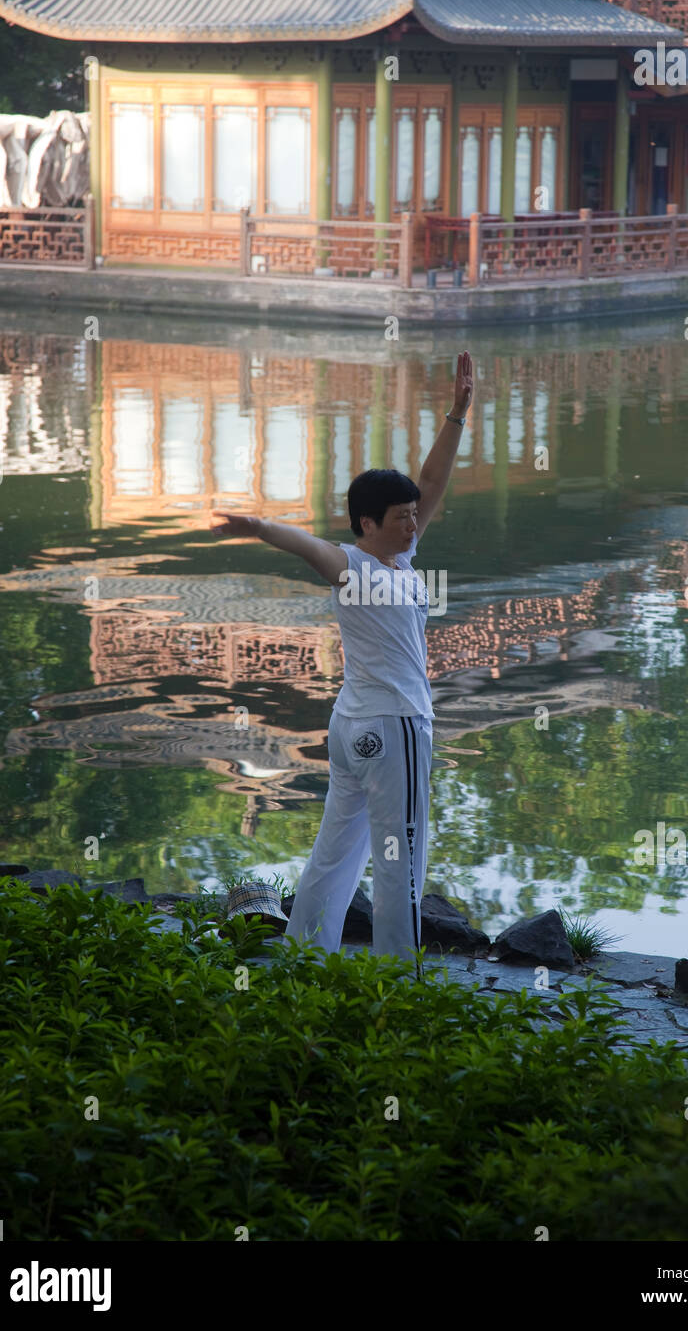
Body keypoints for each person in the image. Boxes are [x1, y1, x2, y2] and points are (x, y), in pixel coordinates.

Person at [209, 351, 475, 978]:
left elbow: (430, 484)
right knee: (401, 858)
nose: (415, 522)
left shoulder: (400, 560)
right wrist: (258, 527)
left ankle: (304, 957)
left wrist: (457, 415)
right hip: (396, 729)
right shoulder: (353, 568)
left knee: (337, 852)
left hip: (352, 729)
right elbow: (308, 546)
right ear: (365, 523)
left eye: (414, 516)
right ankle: (397, 981)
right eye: (402, 517)